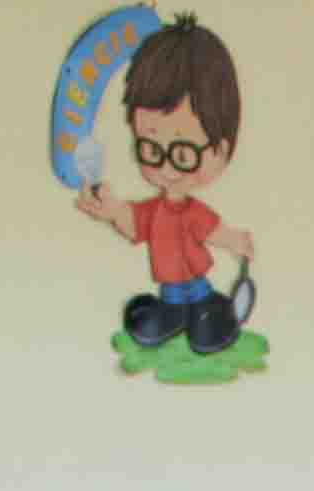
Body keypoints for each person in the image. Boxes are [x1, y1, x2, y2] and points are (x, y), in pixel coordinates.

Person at [70, 12, 253, 356]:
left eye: (183, 153)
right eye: (151, 149)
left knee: (206, 328)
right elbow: (134, 224)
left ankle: (209, 316)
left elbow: (214, 232)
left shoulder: (194, 212)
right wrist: (112, 211)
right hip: (169, 292)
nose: (167, 167)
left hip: (197, 290)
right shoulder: (154, 209)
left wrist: (235, 241)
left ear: (220, 150)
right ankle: (174, 316)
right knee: (151, 318)